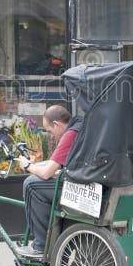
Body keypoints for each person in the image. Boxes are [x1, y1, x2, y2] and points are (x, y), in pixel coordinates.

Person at [15, 105, 81, 258]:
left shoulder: (70, 135)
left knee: (31, 185)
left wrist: (27, 166)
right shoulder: (80, 126)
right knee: (39, 176)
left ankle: (41, 245)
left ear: (56, 124)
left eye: (49, 131)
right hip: (83, 182)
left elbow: (45, 174)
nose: (50, 135)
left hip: (78, 189)